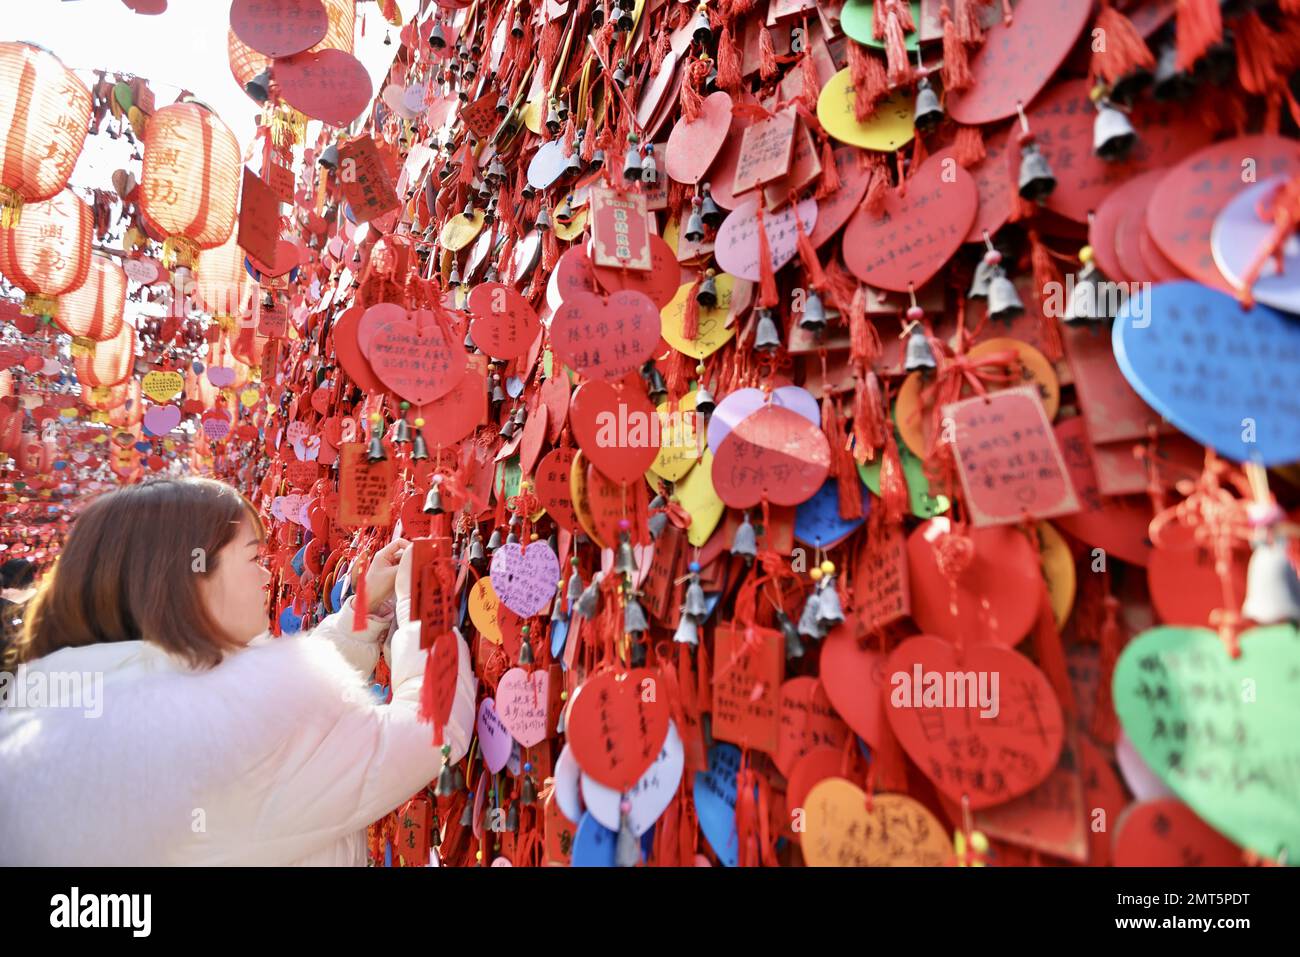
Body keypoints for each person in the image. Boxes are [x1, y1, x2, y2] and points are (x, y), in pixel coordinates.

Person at [0, 477, 477, 865]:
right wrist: (421, 607)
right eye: (253, 557)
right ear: (189, 578)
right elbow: (431, 732)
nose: (269, 575)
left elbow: (281, 703)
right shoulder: (215, 743)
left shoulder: (101, 702)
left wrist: (364, 614)